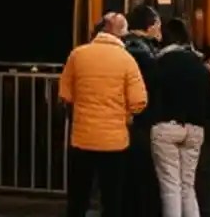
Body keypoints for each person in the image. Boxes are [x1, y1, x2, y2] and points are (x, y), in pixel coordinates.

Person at [61, 12, 147, 217]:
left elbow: (65, 94)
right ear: (121, 34)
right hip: (114, 142)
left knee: (78, 199)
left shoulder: (77, 55)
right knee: (112, 200)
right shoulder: (127, 60)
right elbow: (138, 102)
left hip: (82, 139)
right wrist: (125, 113)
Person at [148, 18, 210, 217]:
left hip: (166, 126)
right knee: (187, 185)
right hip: (195, 128)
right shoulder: (199, 64)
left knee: (170, 186)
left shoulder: (159, 63)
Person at [121, 5, 162, 217]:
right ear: (151, 25)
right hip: (141, 120)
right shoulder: (145, 53)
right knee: (143, 175)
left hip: (118, 120)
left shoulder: (122, 47)